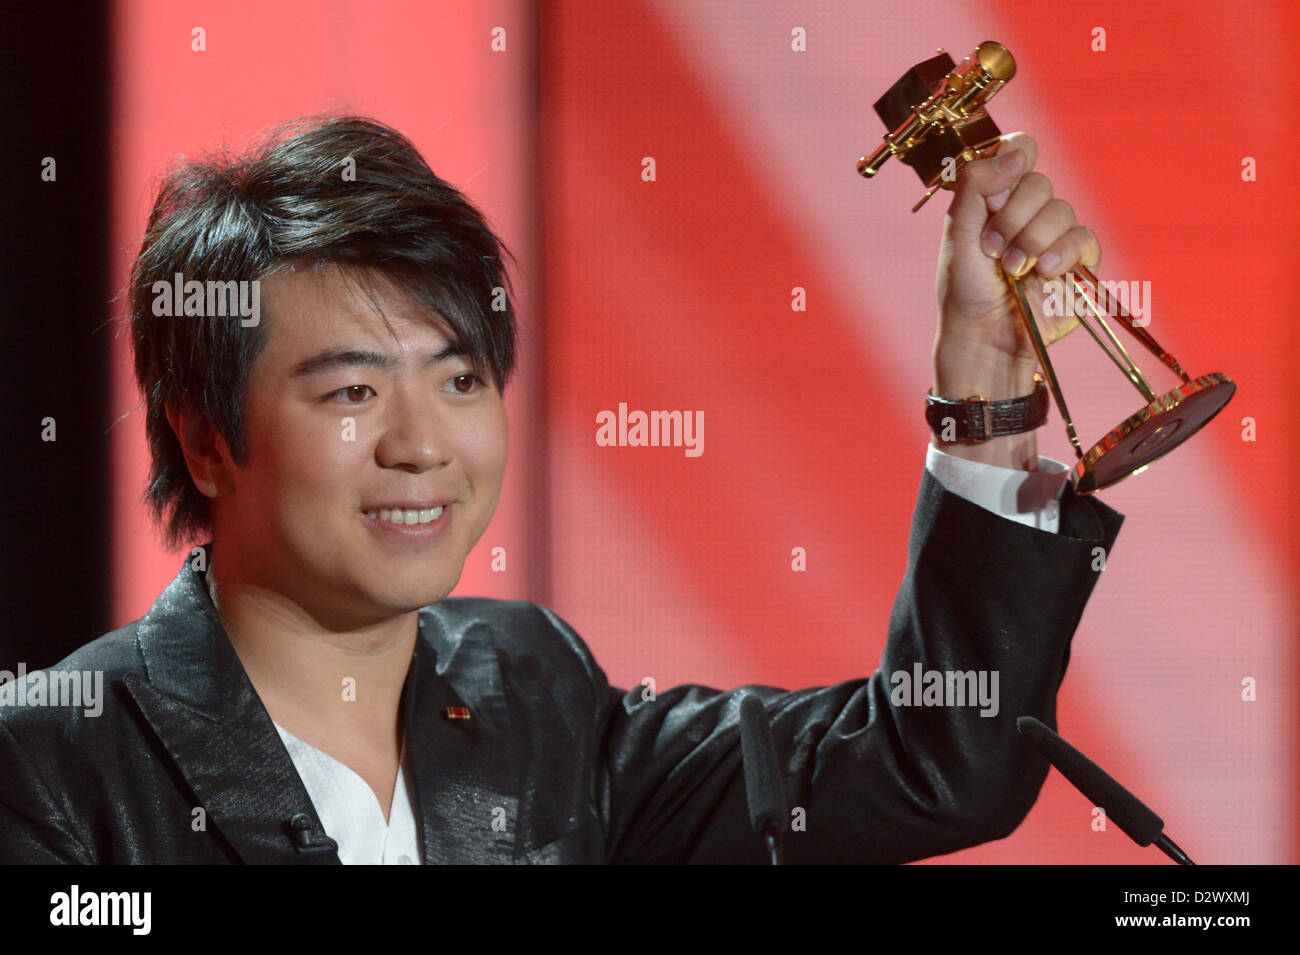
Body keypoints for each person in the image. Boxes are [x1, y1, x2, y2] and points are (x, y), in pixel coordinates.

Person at [0, 116, 1121, 864]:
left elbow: (933, 765)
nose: (422, 445)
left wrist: (984, 395)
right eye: (350, 392)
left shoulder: (532, 692)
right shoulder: (56, 763)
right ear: (206, 444)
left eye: (458, 378)